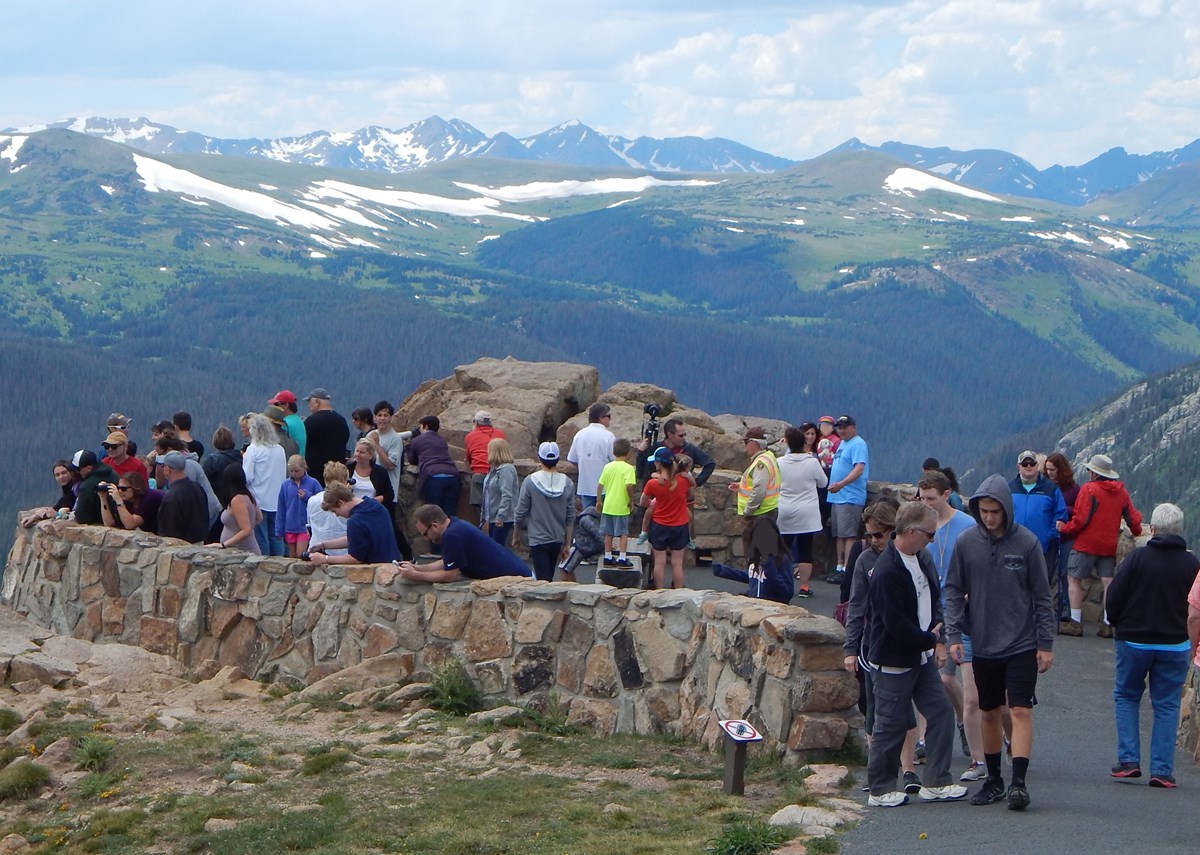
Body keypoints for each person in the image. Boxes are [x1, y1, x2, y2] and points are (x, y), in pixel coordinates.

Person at [945, 474, 1054, 811]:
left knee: (1019, 709)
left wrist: (1045, 643)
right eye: (984, 511)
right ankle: (994, 779)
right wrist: (953, 634)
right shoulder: (966, 543)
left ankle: (1018, 782)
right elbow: (951, 590)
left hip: (1022, 642)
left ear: (1006, 510)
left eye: (995, 511)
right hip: (982, 642)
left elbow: (1042, 596)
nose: (990, 517)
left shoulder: (1028, 543)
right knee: (989, 712)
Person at [863, 501, 967, 807]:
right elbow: (895, 624)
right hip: (893, 660)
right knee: (890, 723)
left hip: (920, 657)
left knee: (940, 711)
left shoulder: (921, 559)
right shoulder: (886, 572)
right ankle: (879, 790)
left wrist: (935, 642)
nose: (932, 540)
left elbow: (932, 601)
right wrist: (928, 639)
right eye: (930, 535)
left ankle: (936, 781)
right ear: (911, 531)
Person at [1105, 503, 1198, 788]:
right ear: (1180, 531)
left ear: (1153, 530)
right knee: (1167, 705)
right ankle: (1162, 770)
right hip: (1174, 644)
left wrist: (1119, 624)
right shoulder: (1193, 564)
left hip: (1134, 640)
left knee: (1127, 695)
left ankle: (1129, 761)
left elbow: (1114, 597)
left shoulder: (1137, 558)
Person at [918, 470, 985, 781]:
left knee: (947, 681)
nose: (927, 503)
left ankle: (962, 720)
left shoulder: (967, 525)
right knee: (930, 679)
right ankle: (925, 738)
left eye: (932, 498)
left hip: (959, 610)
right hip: (931, 608)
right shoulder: (923, 525)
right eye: (923, 498)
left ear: (947, 495)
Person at [1057, 454, 1143, 638]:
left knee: (1074, 580)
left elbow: (1080, 519)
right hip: (1108, 545)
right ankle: (1107, 624)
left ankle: (1075, 622)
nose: (1088, 473)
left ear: (1095, 474)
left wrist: (1064, 528)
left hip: (1085, 545)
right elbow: (1133, 520)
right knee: (1108, 583)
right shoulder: (1121, 493)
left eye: (1089, 470)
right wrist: (1137, 529)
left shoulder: (1089, 490)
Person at [397, 505, 532, 582]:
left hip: (518, 581)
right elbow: (449, 561)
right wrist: (417, 568)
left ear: (435, 525)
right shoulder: (455, 525)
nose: (426, 539)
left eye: (425, 533)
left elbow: (450, 575)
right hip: (521, 575)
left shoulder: (452, 536)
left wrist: (416, 576)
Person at [1009, 450, 1068, 624]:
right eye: (1025, 464)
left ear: (1037, 466)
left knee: (1041, 584)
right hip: (1014, 545)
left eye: (1032, 464)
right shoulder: (1009, 487)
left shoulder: (1051, 489)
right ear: (1018, 466)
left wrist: (1050, 536)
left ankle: (1038, 620)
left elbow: (1060, 515)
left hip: (1043, 547)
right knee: (1015, 583)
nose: (1028, 467)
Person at [777, 424, 828, 598]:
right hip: (807, 512)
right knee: (805, 549)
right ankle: (804, 587)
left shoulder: (780, 463)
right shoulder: (812, 462)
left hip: (785, 510)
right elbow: (823, 483)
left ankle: (781, 582)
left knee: (783, 548)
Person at [515, 441, 577, 582]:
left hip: (538, 538)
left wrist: (516, 534)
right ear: (557, 459)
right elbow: (570, 515)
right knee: (549, 574)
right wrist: (567, 543)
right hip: (557, 537)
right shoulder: (567, 483)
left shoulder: (531, 481)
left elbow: (520, 511)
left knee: (542, 578)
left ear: (539, 458)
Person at [308, 482, 400, 565]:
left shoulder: (355, 521)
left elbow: (356, 558)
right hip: (392, 565)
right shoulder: (376, 506)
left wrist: (325, 559)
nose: (337, 515)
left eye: (334, 511)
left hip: (376, 574)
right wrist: (323, 545)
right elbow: (357, 538)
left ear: (341, 502)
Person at [639, 447, 692, 590]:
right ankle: (679, 591)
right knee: (677, 563)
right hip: (680, 524)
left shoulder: (653, 484)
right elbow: (689, 495)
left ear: (658, 464)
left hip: (660, 524)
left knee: (660, 562)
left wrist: (653, 502)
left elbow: (643, 502)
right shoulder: (683, 481)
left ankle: (659, 591)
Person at [827, 415, 869, 579]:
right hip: (838, 496)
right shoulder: (843, 443)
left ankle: (847, 569)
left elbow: (859, 468)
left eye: (845, 427)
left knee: (849, 535)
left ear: (853, 427)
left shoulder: (858, 444)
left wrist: (842, 484)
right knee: (839, 534)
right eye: (840, 428)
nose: (842, 430)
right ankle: (838, 566)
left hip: (850, 496)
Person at [1043, 452, 1080, 631]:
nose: (1049, 473)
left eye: (1053, 470)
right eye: (1047, 469)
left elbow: (1080, 510)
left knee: (1066, 572)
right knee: (1047, 571)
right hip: (1049, 535)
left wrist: (1062, 509)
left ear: (1061, 470)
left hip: (1067, 536)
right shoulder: (1044, 487)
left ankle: (1065, 607)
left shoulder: (1073, 488)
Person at [242, 413, 287, 556]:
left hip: (259, 500)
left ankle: (264, 567)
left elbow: (247, 477)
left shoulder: (253, 449)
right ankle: (279, 567)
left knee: (261, 539)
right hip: (278, 500)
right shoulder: (279, 449)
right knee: (276, 538)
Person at [407, 415, 461, 517]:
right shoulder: (442, 440)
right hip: (453, 476)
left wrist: (409, 446)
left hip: (433, 477)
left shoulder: (417, 440)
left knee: (434, 515)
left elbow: (412, 460)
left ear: (425, 427)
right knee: (450, 515)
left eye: (421, 427)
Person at [597, 438, 637, 567]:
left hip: (608, 505)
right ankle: (622, 557)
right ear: (628, 453)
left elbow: (600, 485)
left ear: (613, 452)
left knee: (608, 533)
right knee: (623, 533)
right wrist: (631, 500)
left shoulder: (607, 467)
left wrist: (598, 500)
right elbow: (629, 486)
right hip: (621, 505)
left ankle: (608, 556)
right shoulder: (629, 468)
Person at [156, 451, 210, 544]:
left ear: (168, 470)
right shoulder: (197, 487)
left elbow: (169, 531)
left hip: (180, 548)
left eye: (163, 466)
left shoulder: (172, 497)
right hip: (199, 543)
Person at [567, 403, 615, 509]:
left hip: (585, 485)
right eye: (608, 416)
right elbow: (615, 460)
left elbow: (572, 458)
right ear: (600, 418)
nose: (610, 419)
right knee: (603, 518)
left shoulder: (580, 435)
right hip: (605, 487)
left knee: (587, 516)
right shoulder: (608, 436)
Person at [208, 463, 263, 553]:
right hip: (241, 549)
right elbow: (259, 518)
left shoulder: (237, 501)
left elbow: (246, 530)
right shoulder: (248, 495)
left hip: (242, 550)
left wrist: (224, 544)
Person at [303, 388, 350, 487]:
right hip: (337, 474)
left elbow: (304, 443)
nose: (308, 406)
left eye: (309, 402)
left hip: (315, 475)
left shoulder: (311, 422)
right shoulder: (341, 420)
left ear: (317, 402)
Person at [464, 410, 507, 517]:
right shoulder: (500, 434)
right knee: (496, 503)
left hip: (479, 472)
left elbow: (469, 457)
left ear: (476, 422)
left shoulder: (470, 436)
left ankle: (482, 526)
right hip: (499, 473)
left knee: (478, 504)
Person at [276, 455, 320, 558]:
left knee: (300, 555)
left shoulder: (313, 483)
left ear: (304, 468)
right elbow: (281, 508)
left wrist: (308, 497)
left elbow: (321, 502)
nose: (293, 474)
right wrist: (279, 529)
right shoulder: (285, 485)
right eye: (291, 471)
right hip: (289, 527)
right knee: (292, 555)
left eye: (296, 471)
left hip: (304, 527)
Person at [480, 437, 519, 547]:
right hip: (492, 516)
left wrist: (501, 516)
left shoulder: (506, 469)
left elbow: (507, 494)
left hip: (502, 518)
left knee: (497, 548)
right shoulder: (494, 469)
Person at [307, 462, 350, 556]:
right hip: (342, 555)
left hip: (316, 553)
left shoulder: (312, 501)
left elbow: (309, 527)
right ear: (343, 480)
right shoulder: (348, 503)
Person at [99, 471, 163, 534]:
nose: (120, 491)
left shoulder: (150, 498)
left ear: (135, 487)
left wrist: (119, 501)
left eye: (123, 489)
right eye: (118, 488)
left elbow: (130, 524)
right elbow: (109, 523)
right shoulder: (127, 500)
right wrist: (103, 498)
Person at [67, 449, 117, 526]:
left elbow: (82, 516)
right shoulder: (112, 473)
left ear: (88, 468)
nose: (76, 472)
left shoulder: (87, 486)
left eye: (78, 470)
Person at [22, 461, 78, 527]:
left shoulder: (75, 489)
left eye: (64, 473)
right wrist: (35, 516)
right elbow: (59, 505)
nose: (61, 477)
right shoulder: (68, 489)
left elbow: (65, 505)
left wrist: (43, 515)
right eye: (57, 475)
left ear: (70, 473)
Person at [348, 439, 393, 505]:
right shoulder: (347, 468)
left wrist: (378, 499)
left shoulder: (380, 472)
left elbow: (390, 494)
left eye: (362, 452)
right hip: (350, 509)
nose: (358, 454)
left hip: (372, 509)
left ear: (370, 456)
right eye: (357, 451)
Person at [269, 390, 307, 458]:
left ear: (286, 405)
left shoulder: (286, 424)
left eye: (277, 404)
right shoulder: (297, 420)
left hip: (291, 461)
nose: (274, 407)